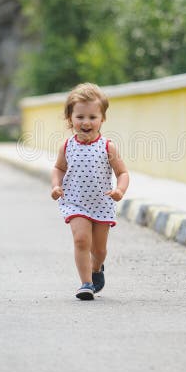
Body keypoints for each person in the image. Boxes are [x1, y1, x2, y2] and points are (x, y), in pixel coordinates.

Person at [51, 83, 130, 300]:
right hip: (75, 202)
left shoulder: (107, 147)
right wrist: (56, 185)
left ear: (102, 119)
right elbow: (58, 168)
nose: (86, 122)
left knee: (99, 250)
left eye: (92, 117)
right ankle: (86, 283)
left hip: (102, 204)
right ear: (70, 119)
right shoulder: (67, 146)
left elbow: (122, 173)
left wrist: (120, 190)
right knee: (81, 240)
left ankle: (97, 268)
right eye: (80, 117)